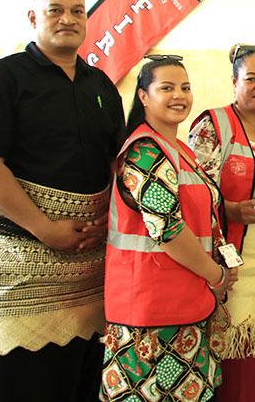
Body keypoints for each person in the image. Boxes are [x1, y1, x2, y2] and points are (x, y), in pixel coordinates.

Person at [0, 0, 125, 401]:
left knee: (82, 379)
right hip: (22, 264)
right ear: (34, 17)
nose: (67, 19)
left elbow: (114, 163)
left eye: (77, 11)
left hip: (90, 265)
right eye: (55, 10)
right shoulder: (2, 78)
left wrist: (108, 218)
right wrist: (44, 228)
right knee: (22, 381)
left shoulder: (101, 85)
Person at [101, 56, 239, 401]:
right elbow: (168, 230)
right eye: (166, 88)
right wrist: (215, 275)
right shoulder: (145, 152)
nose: (179, 95)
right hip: (149, 313)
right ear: (144, 96)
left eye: (185, 88)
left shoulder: (178, 149)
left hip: (185, 302)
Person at [188, 44, 255, 402]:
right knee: (232, 357)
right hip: (231, 264)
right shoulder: (212, 124)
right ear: (234, 82)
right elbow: (193, 194)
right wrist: (231, 210)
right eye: (251, 79)